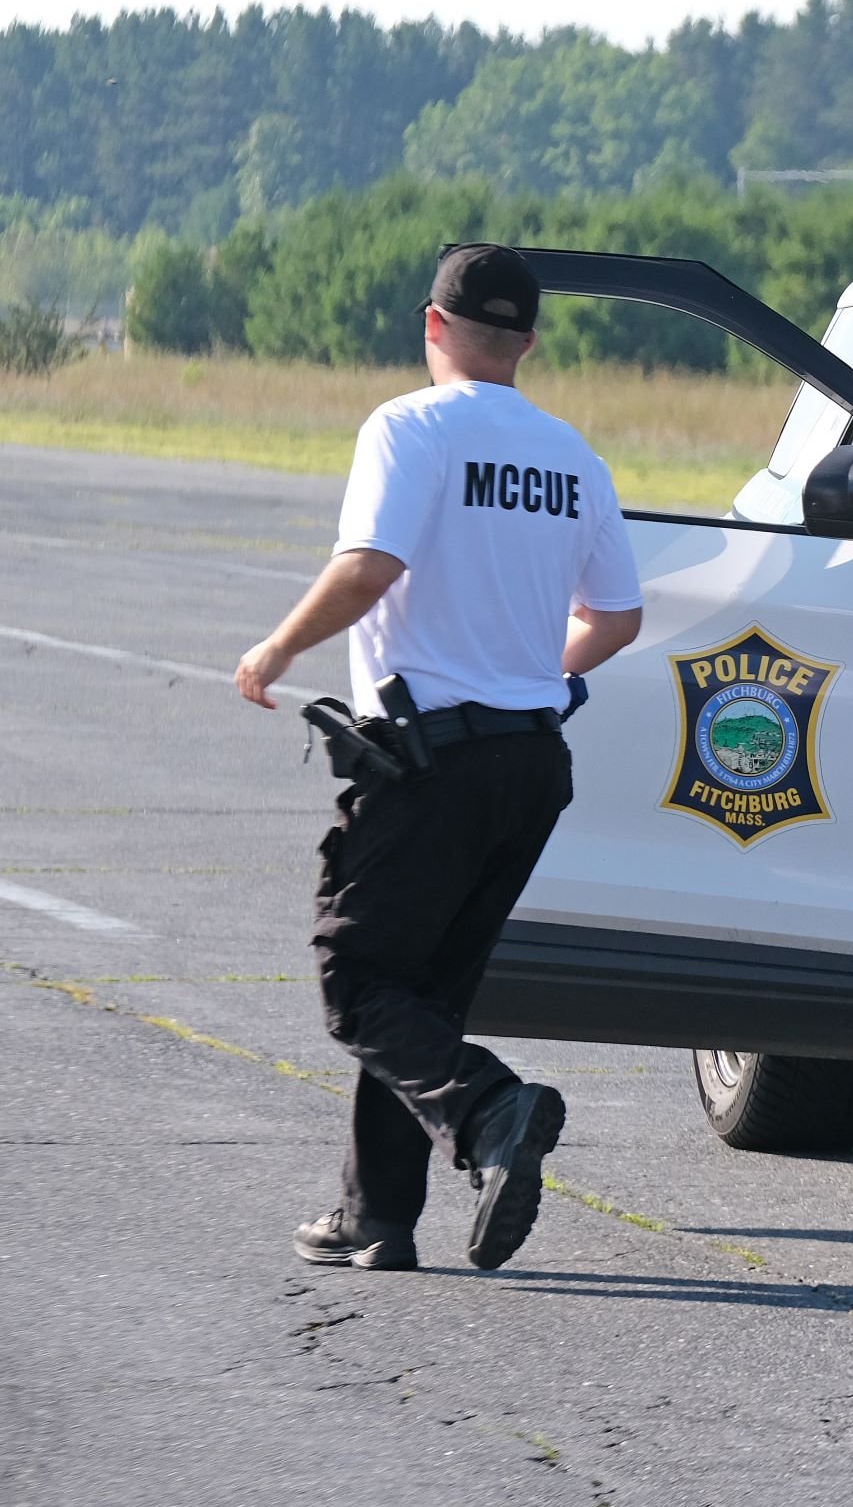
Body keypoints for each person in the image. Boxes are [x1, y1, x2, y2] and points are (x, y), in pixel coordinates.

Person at [233, 244, 644, 1273]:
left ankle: (494, 1106)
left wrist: (277, 647)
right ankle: (378, 1211)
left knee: (358, 975)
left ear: (433, 326)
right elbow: (618, 615)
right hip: (529, 761)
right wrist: (533, 675)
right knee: (421, 990)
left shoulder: (409, 426)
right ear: (527, 341)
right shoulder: (572, 455)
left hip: (431, 759)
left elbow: (370, 565)